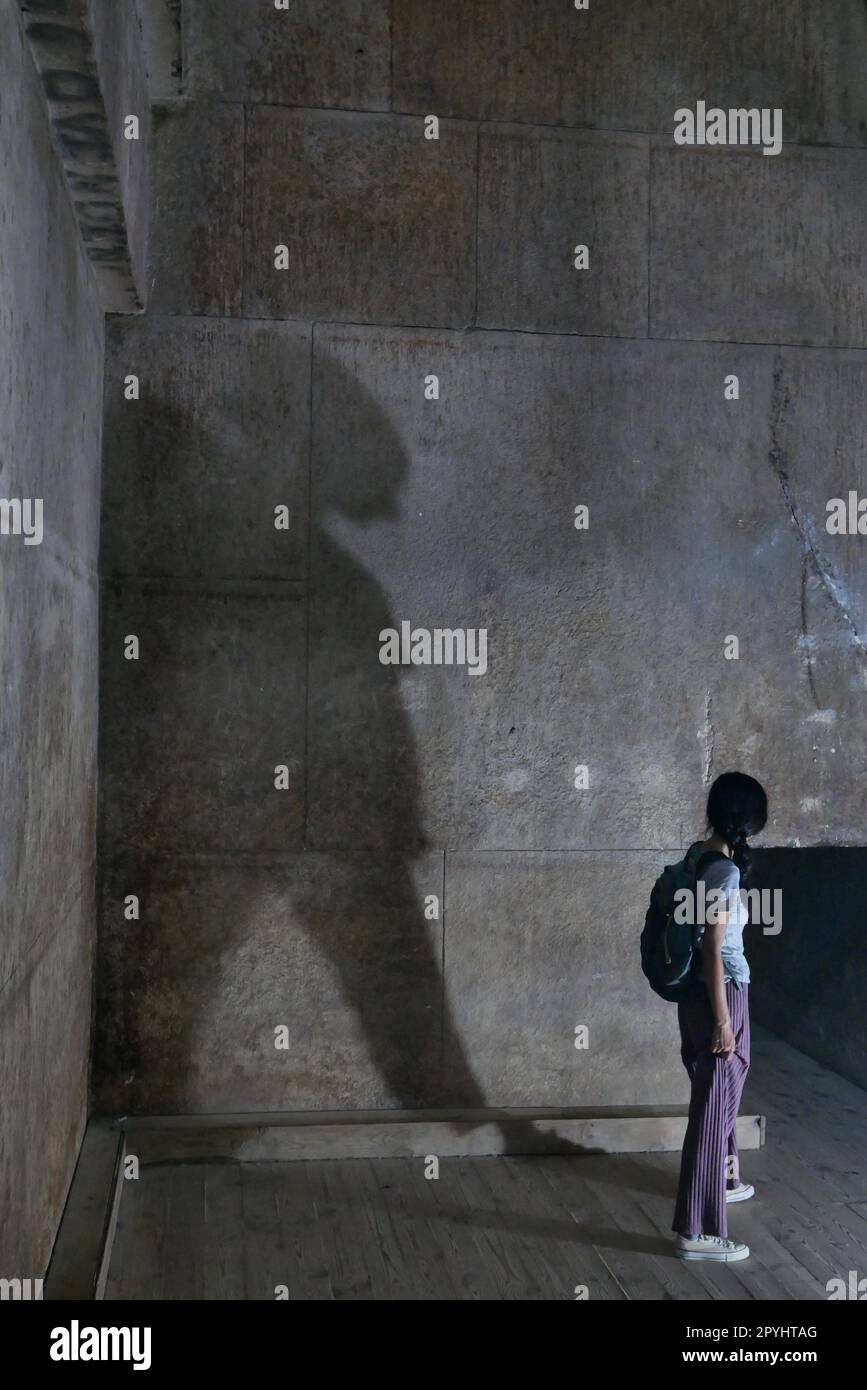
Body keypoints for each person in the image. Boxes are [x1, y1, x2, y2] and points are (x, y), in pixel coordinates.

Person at [673, 771, 768, 1262]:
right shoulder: (724, 873)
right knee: (712, 1108)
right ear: (749, 820)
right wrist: (724, 1022)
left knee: (718, 1092)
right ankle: (697, 1230)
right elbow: (713, 944)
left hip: (697, 992)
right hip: (720, 992)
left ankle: (725, 1178)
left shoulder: (697, 855)